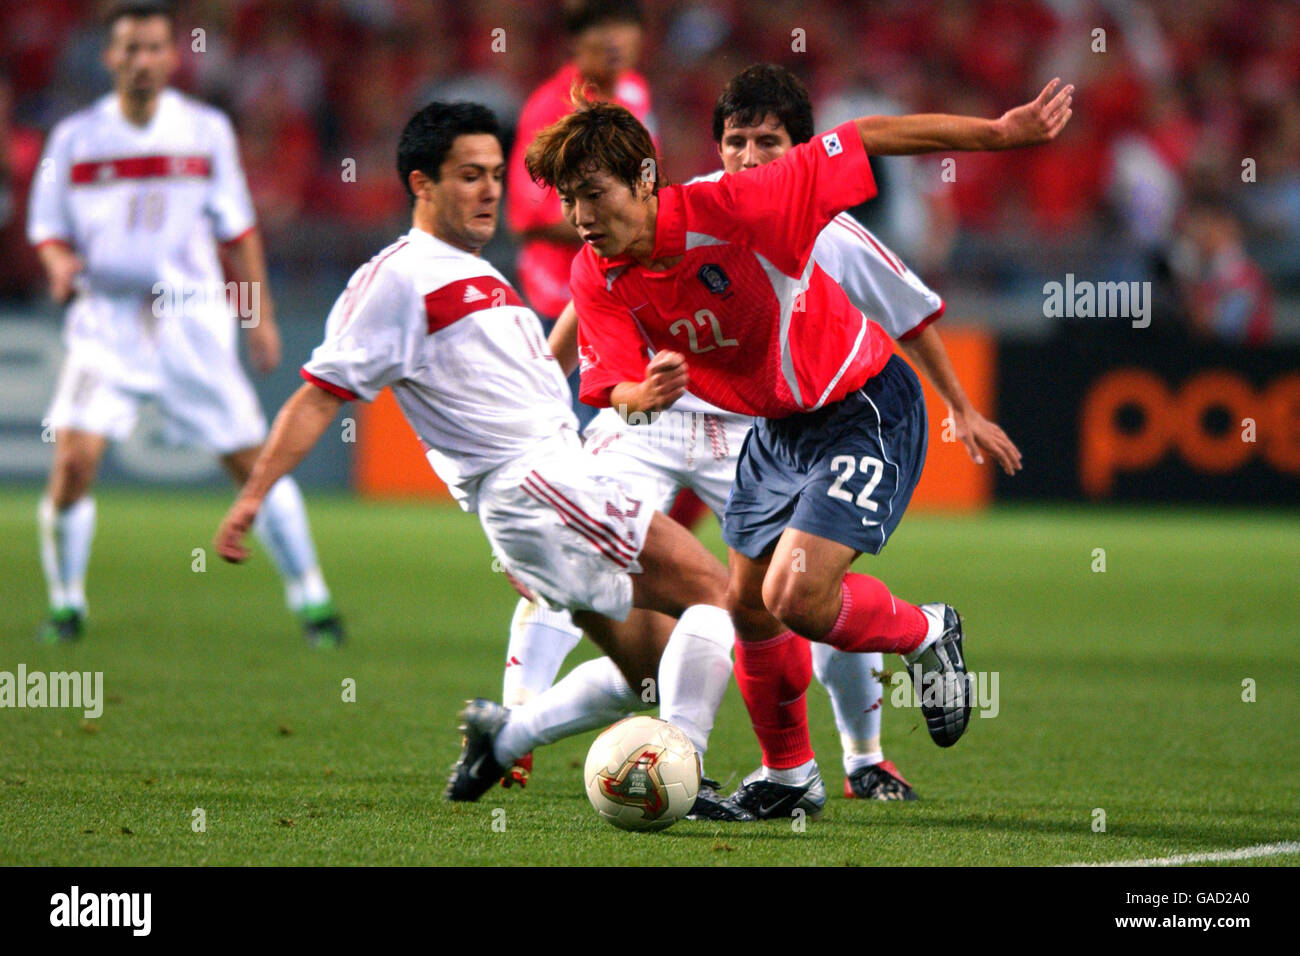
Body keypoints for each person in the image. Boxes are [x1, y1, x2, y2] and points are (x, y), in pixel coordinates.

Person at [524, 79, 1071, 817]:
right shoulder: (598, 268)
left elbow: (871, 133)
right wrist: (639, 397)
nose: (582, 218)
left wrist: (1000, 134)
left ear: (645, 180)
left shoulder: (750, 204)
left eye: (594, 194)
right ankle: (791, 775)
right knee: (746, 605)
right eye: (569, 200)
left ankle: (926, 631)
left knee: (797, 597)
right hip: (775, 433)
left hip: (862, 405)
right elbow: (610, 380)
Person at [211, 100, 745, 818]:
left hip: (547, 491)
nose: (490, 190)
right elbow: (317, 395)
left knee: (650, 673)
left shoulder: (477, 274)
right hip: (539, 485)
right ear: (420, 183)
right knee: (719, 593)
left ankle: (504, 737)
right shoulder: (398, 280)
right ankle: (687, 775)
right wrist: (253, 496)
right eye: (469, 176)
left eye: (495, 174)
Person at [27, 1, 342, 645]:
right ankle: (66, 606)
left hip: (190, 319)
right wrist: (59, 265)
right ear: (110, 56)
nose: (142, 61)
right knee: (74, 464)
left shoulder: (204, 131)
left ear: (174, 56)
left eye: (154, 48)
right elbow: (48, 230)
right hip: (106, 321)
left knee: (253, 463)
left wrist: (260, 318)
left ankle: (313, 599)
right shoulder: (74, 140)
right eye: (130, 49)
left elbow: (241, 232)